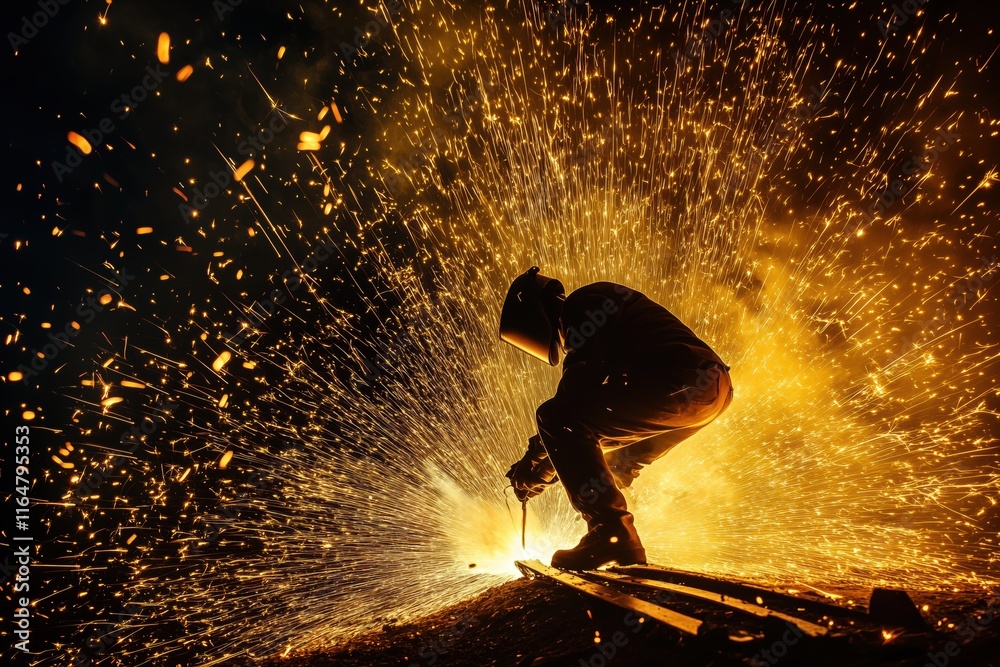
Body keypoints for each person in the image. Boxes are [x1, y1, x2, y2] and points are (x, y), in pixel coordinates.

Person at [501, 266, 733, 570]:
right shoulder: (600, 315)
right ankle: (622, 546)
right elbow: (583, 430)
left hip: (682, 381)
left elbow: (573, 398)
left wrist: (535, 464)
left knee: (553, 416)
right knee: (617, 459)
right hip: (708, 393)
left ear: (533, 314)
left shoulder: (583, 303)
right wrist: (549, 468)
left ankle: (610, 531)